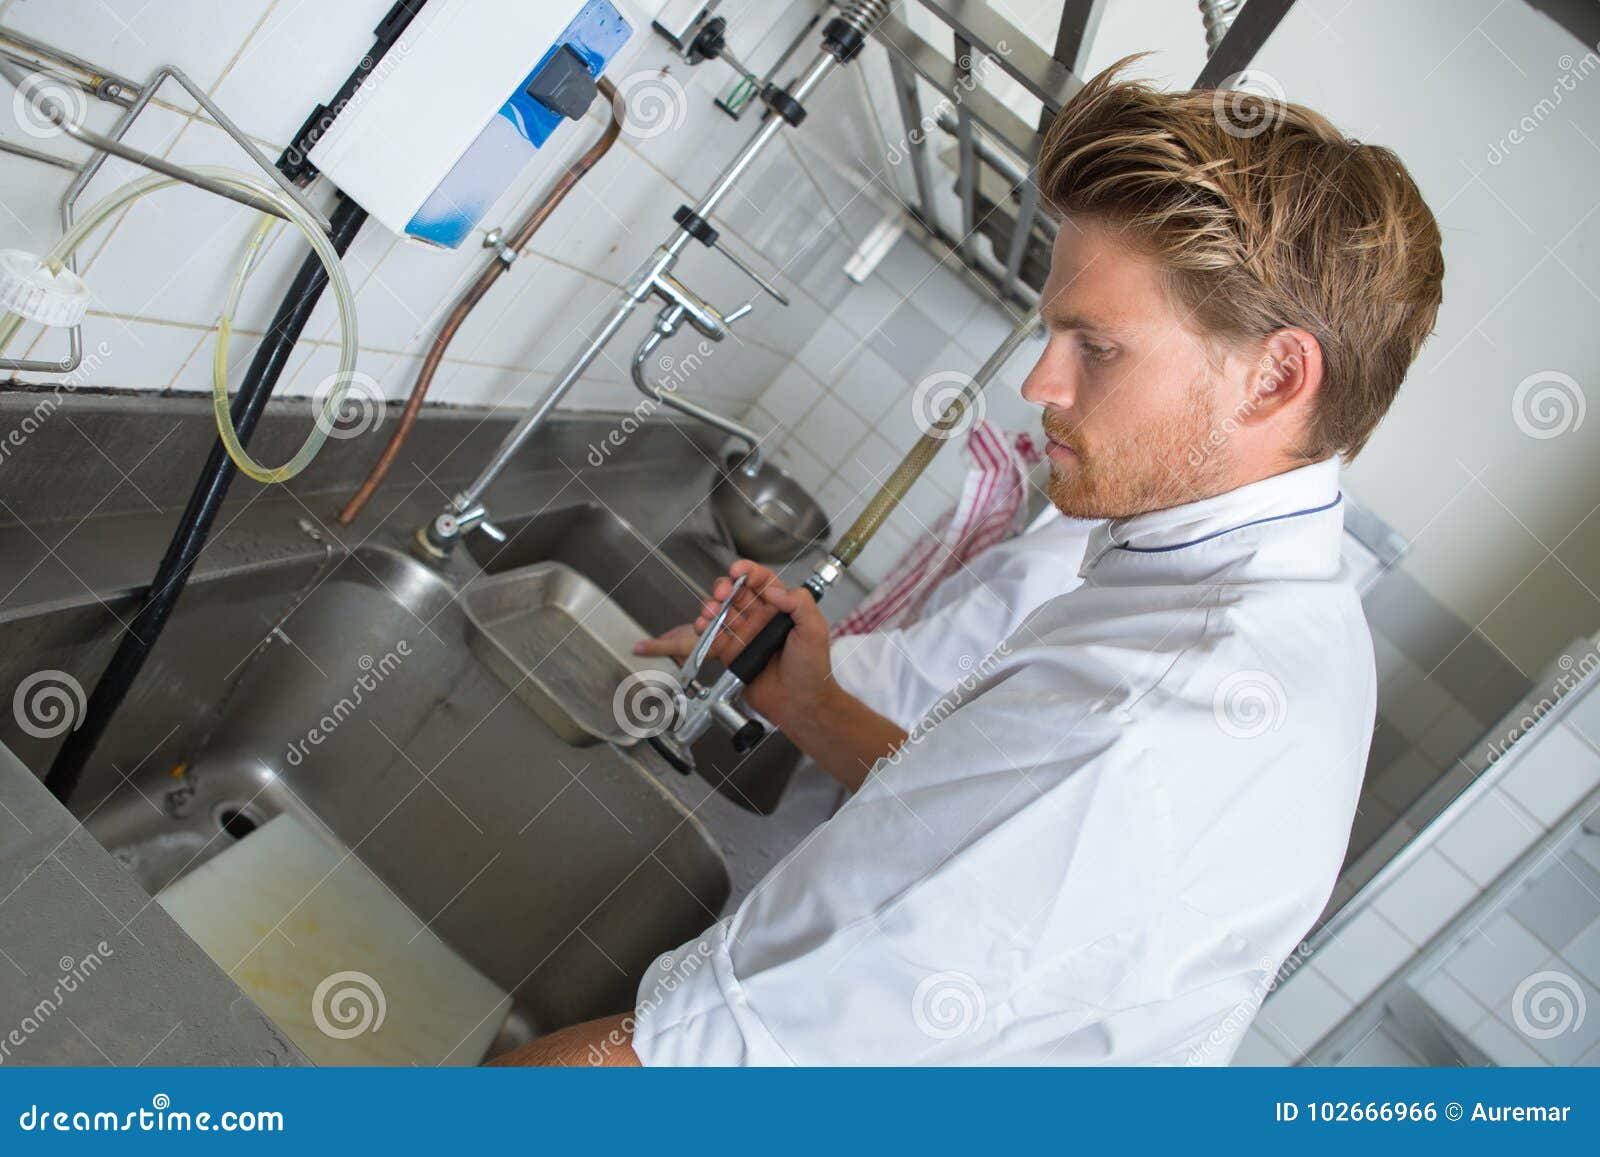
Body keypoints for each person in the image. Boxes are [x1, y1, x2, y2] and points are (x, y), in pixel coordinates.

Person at [492, 58, 1444, 1067]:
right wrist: (812, 704)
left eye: (1097, 347)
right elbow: (972, 831)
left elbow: (696, 1066)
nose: (1040, 382)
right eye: (1052, 334)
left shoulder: (1153, 705)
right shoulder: (1236, 603)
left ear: (1275, 376)